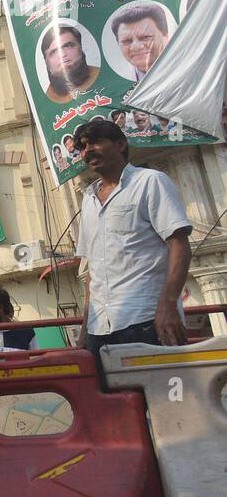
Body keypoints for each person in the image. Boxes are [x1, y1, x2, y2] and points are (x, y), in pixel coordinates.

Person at [73, 119, 191, 356]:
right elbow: (93, 270)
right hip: (100, 329)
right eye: (83, 146)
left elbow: (179, 244)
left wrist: (168, 305)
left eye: (96, 142)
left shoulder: (150, 181)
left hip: (147, 318)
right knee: (113, 394)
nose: (88, 150)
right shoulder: (88, 199)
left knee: (164, 393)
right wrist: (85, 329)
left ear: (120, 144)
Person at [110, 1, 171, 81]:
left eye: (145, 37)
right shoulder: (116, 84)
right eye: (127, 41)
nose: (136, 47)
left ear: (166, 37)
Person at [41, 24, 100, 103]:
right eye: (54, 52)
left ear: (80, 48)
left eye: (68, 46)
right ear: (46, 61)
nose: (62, 55)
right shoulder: (44, 101)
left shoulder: (102, 76)